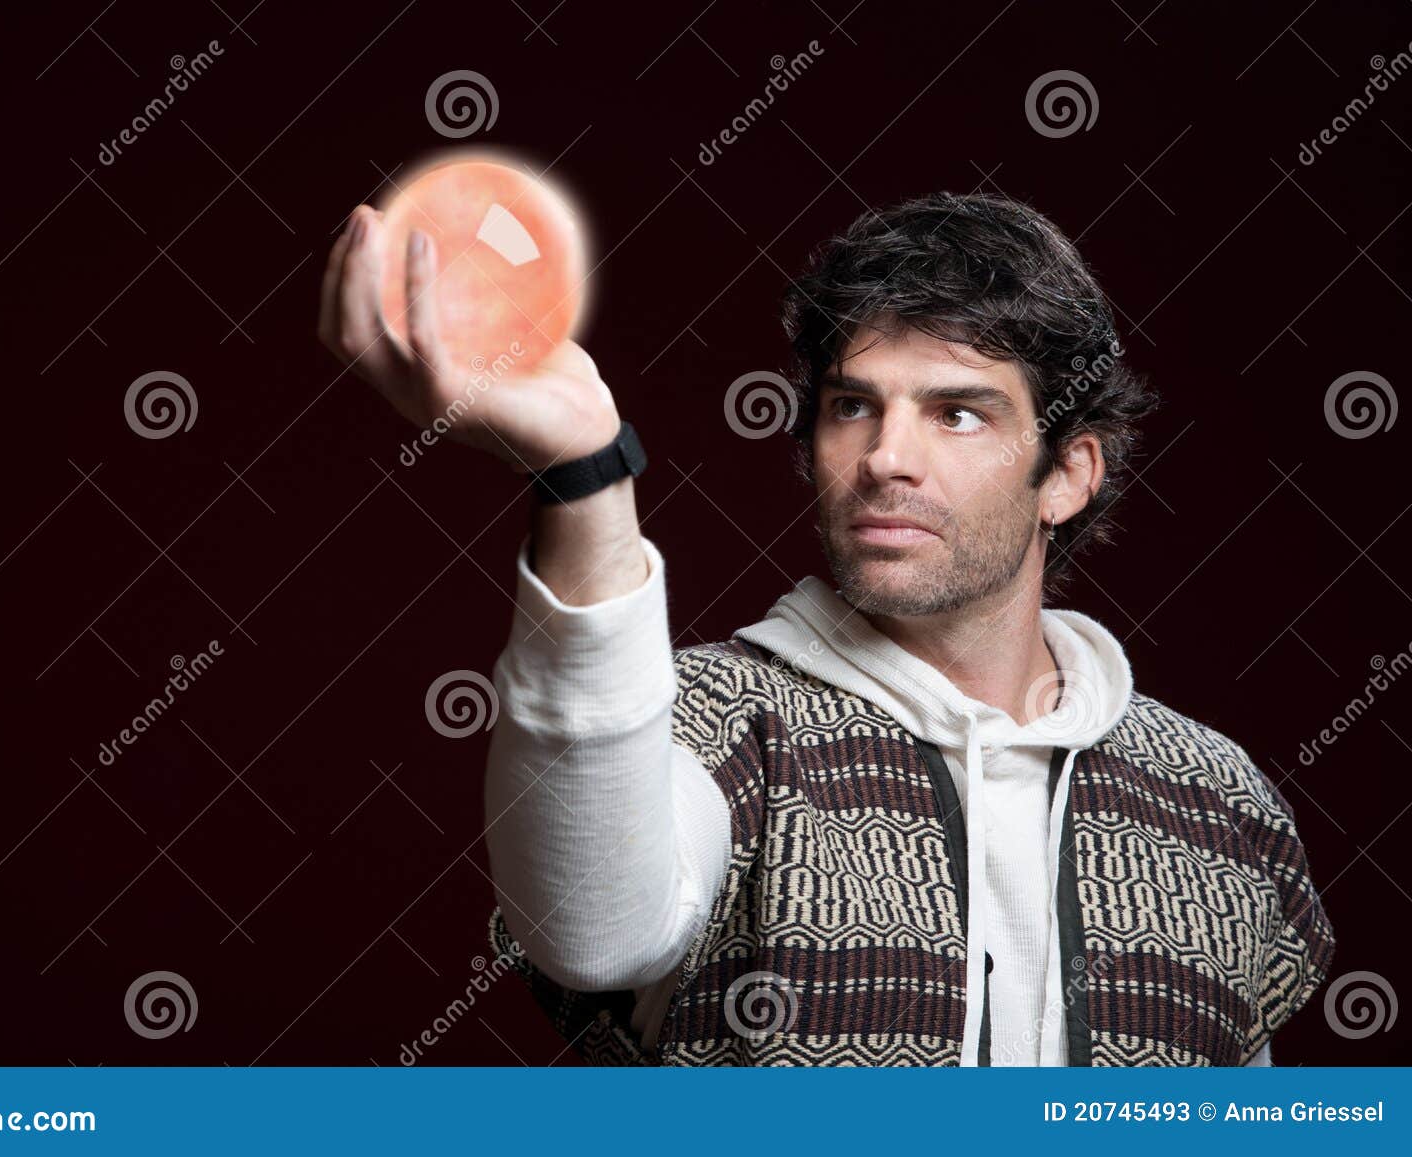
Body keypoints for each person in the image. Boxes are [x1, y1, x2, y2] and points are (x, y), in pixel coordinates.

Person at [317, 189, 1336, 1066]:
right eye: (854, 406)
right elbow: (590, 929)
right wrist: (585, 477)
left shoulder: (1214, 795)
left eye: (958, 413)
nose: (887, 456)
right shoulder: (718, 720)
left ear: (1066, 473)